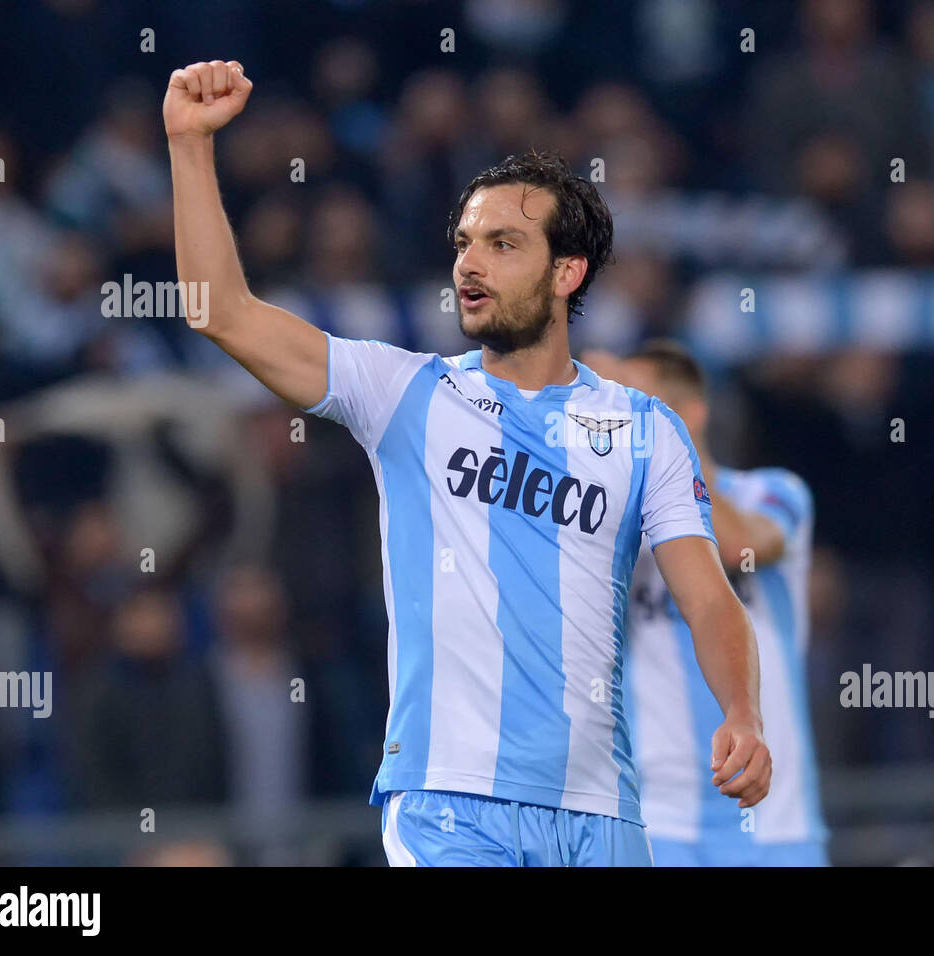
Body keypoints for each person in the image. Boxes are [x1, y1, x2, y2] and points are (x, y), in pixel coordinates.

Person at [162, 60, 769, 866]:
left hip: (601, 814)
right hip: (450, 808)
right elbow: (219, 311)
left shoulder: (643, 428)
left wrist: (743, 714)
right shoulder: (402, 393)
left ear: (566, 273)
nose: (469, 264)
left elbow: (708, 597)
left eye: (503, 243)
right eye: (465, 243)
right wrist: (189, 146)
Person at [593, 341, 829, 866]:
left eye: (643, 406)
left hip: (776, 821)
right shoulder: (620, 520)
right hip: (659, 819)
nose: (630, 422)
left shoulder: (773, 493)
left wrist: (662, 439)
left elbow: (741, 548)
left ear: (691, 413)